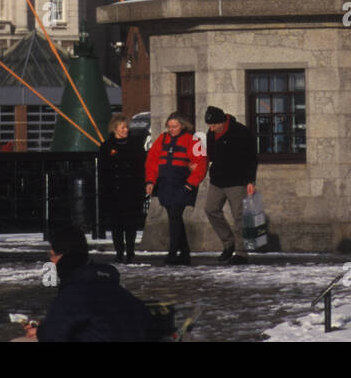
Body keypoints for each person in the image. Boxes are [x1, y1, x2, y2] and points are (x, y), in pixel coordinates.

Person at [20, 225, 153, 341]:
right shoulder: (111, 286)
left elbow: (53, 335)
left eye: (52, 255)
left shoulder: (73, 291)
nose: (51, 262)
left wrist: (41, 331)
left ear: (62, 257)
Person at [144, 112, 206, 265]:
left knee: (175, 216)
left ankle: (173, 253)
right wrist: (150, 181)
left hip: (182, 185)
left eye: (175, 126)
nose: (171, 129)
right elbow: (152, 160)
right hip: (166, 184)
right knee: (175, 217)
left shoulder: (193, 140)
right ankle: (184, 253)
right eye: (169, 126)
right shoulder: (162, 139)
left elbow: (201, 163)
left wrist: (190, 184)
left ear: (183, 125)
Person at [202, 106, 259, 264]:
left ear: (222, 121)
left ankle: (241, 253)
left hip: (237, 181)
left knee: (239, 217)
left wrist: (250, 181)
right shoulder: (211, 133)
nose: (211, 128)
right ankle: (229, 243)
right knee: (211, 209)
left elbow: (252, 158)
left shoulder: (241, 132)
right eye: (209, 126)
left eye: (213, 125)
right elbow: (210, 154)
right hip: (217, 180)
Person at [98, 113, 147, 262]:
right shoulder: (106, 147)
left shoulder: (135, 145)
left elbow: (141, 168)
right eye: (123, 127)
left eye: (126, 127)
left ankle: (130, 251)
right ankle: (119, 252)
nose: (126, 130)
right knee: (116, 224)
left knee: (130, 223)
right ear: (114, 129)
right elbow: (103, 170)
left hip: (131, 190)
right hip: (114, 191)